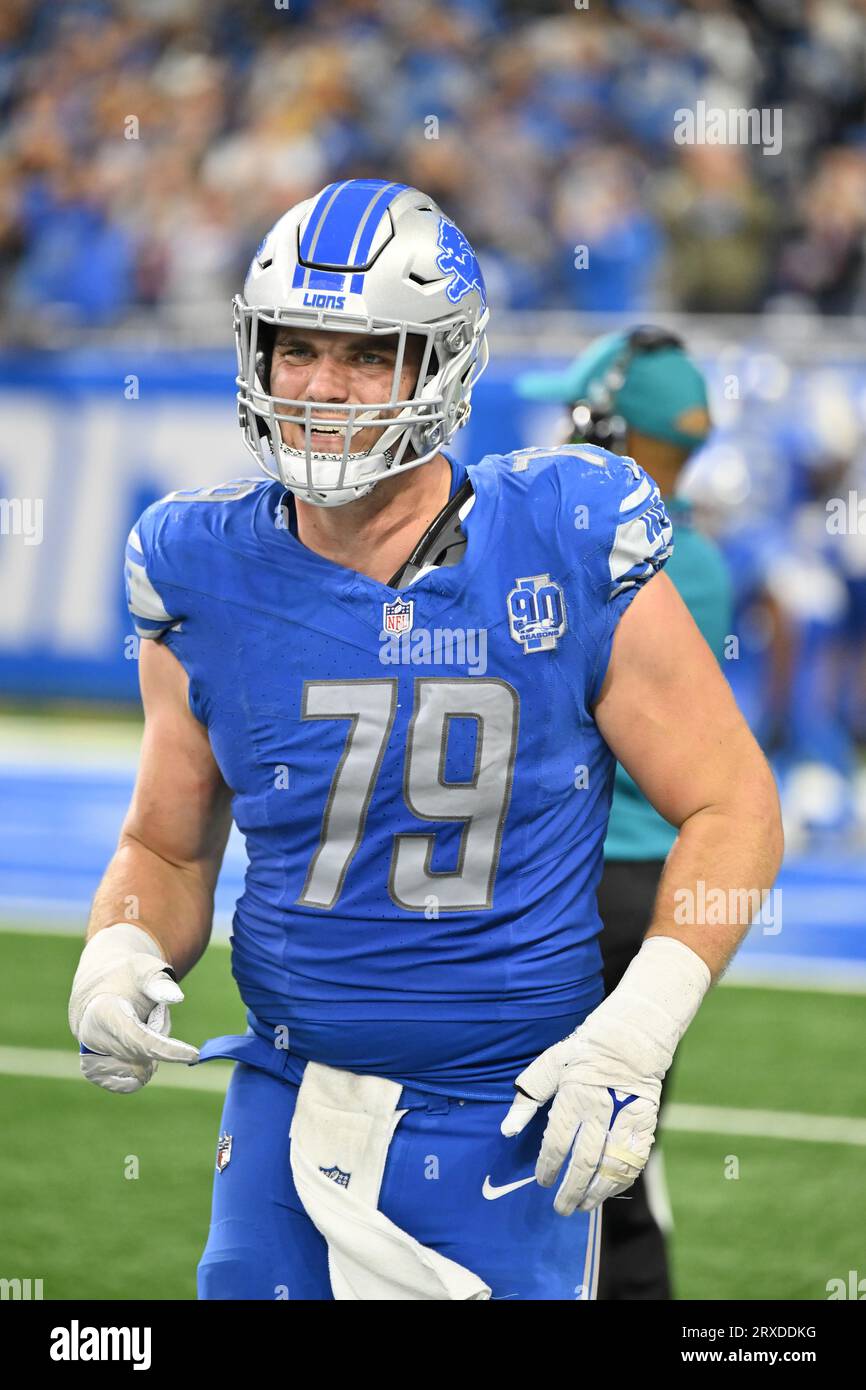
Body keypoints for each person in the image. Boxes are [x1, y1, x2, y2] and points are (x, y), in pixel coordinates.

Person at [68, 181, 781, 1301]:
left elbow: (731, 804)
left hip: (510, 1108)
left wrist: (635, 1032)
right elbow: (164, 847)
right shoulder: (195, 561)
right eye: (294, 348)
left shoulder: (563, 529)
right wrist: (119, 949)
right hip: (284, 1093)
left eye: (367, 354)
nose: (320, 387)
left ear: (440, 365)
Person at [518, 328, 733, 1298]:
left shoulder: (576, 555)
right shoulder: (707, 564)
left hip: (565, 889)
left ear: (604, 424)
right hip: (660, 892)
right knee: (615, 1160)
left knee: (519, 1162)